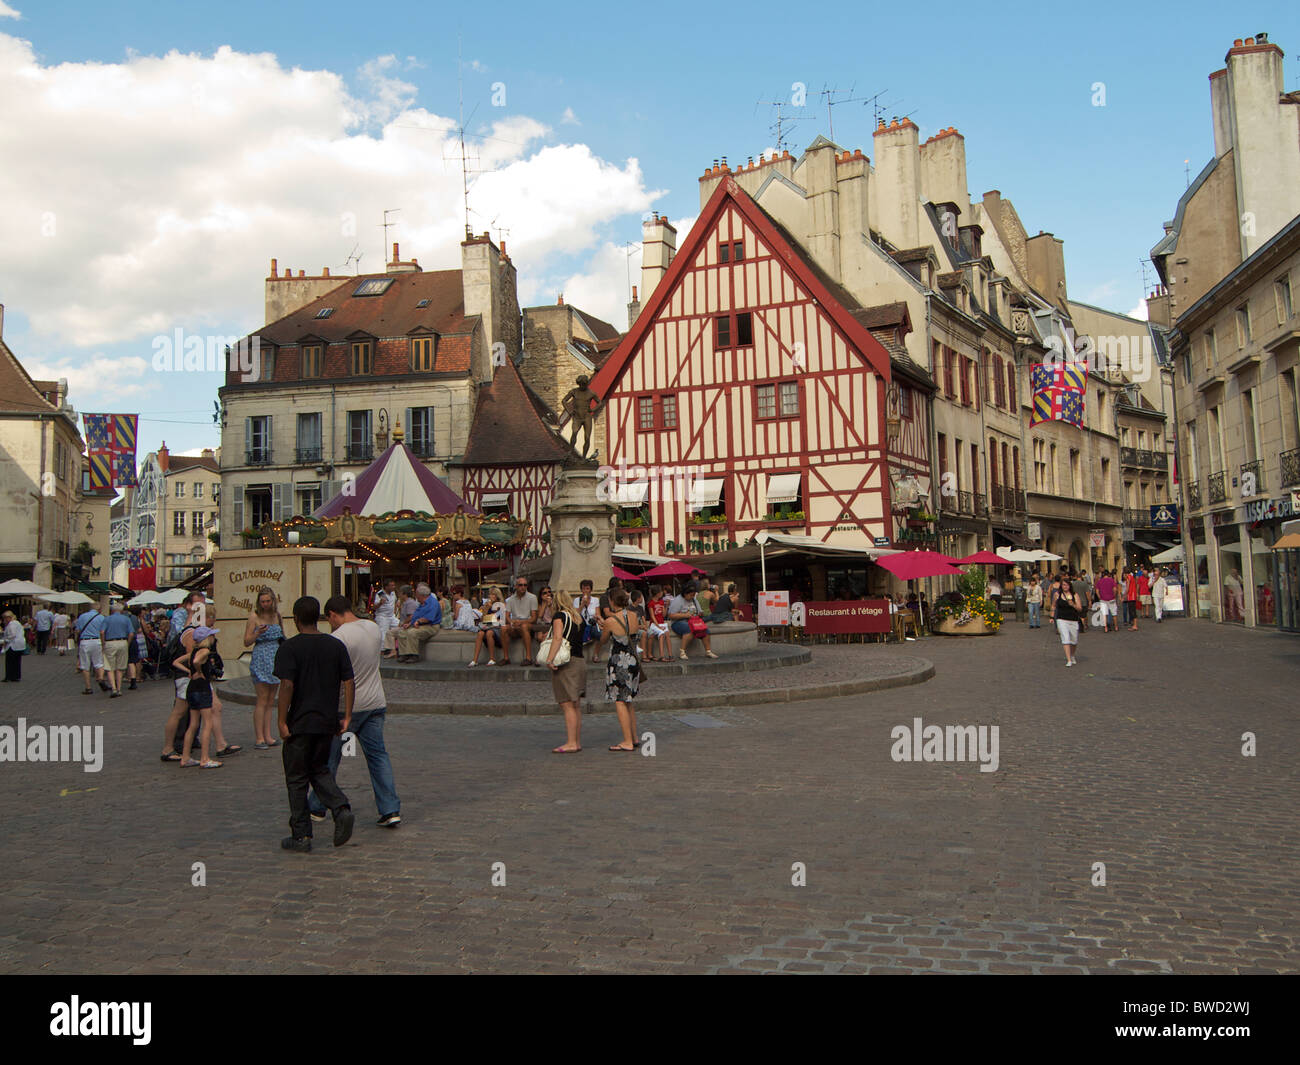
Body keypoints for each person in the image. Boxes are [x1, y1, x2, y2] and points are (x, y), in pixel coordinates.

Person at [306, 596, 401, 828]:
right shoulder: (372, 627)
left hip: (346, 708)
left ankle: (318, 806)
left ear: (332, 615)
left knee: (329, 759)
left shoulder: (337, 638)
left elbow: (331, 677)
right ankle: (390, 809)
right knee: (378, 757)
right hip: (375, 702)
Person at [274, 596, 356, 852]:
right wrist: (348, 715)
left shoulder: (290, 648)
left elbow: (286, 684)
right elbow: (349, 681)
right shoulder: (334, 645)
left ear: (296, 619)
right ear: (319, 616)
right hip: (326, 720)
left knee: (297, 778)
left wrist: (280, 720)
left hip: (300, 721)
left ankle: (301, 835)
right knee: (319, 770)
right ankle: (340, 808)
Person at [545, 590, 588, 753]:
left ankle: (571, 742)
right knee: (576, 704)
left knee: (567, 704)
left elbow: (557, 638)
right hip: (579, 661)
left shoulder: (559, 617)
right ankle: (576, 741)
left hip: (566, 663)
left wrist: (549, 659)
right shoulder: (577, 617)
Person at [175, 627, 223, 768]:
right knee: (207, 724)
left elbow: (176, 662)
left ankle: (185, 757)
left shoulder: (193, 651)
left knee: (193, 724)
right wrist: (199, 671)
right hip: (202, 688)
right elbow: (196, 661)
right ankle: (205, 758)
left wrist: (190, 672)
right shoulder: (205, 651)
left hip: (192, 688)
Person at [602, 589, 641, 752]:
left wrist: (602, 624)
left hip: (619, 662)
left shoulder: (610, 620)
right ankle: (634, 736)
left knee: (619, 700)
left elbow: (603, 639)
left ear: (612, 601)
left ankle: (627, 741)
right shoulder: (634, 616)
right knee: (628, 700)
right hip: (633, 660)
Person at [244, 587, 284, 750]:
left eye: (268, 601)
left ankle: (268, 735)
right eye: (262, 601)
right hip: (261, 655)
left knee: (270, 700)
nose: (265, 604)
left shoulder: (277, 616)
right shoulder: (254, 617)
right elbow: (246, 641)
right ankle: (259, 737)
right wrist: (257, 633)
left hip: (275, 656)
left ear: (273, 601)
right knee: (262, 698)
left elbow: (282, 636)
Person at [668, 582, 718, 660]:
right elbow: (671, 615)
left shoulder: (694, 599)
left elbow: (699, 611)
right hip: (679, 622)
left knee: (705, 630)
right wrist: (685, 615)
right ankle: (682, 651)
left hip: (693, 620)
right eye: (691, 595)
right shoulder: (678, 600)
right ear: (685, 594)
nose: (692, 597)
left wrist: (700, 613)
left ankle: (708, 651)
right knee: (689, 629)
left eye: (693, 595)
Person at [395, 583, 442, 662]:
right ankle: (403, 654)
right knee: (402, 632)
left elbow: (429, 618)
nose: (415, 596)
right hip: (419, 624)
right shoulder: (422, 603)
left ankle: (413, 655)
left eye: (416, 594)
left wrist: (419, 621)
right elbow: (416, 615)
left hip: (431, 626)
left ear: (421, 595)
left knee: (412, 632)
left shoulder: (433, 603)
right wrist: (410, 623)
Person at [501, 577, 539, 665]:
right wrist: (512, 622)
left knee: (524, 627)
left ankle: (528, 658)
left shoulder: (532, 597)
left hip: (527, 623)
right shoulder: (510, 599)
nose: (523, 587)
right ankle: (506, 658)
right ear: (516, 586)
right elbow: (506, 616)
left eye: (525, 585)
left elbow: (534, 618)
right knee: (503, 628)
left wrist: (521, 622)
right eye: (520, 585)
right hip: (514, 623)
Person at [74, 603, 110, 694]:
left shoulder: (82, 616)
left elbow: (77, 630)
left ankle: (88, 688)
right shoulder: (102, 618)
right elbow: (104, 631)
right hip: (97, 641)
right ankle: (101, 678)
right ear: (99, 609)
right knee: (99, 663)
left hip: (85, 641)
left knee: (85, 665)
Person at [100, 603, 134, 697]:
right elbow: (131, 633)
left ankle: (113, 688)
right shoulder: (126, 619)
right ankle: (119, 689)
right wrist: (128, 643)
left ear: (112, 610)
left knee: (110, 667)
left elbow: (102, 632)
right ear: (122, 610)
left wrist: (103, 643)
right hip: (123, 642)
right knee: (120, 667)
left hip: (110, 642)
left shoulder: (107, 619)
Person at [468, 586, 505, 667]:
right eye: (490, 594)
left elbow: (502, 620)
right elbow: (482, 619)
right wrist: (485, 609)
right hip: (488, 626)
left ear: (497, 596)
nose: (490, 596)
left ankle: (492, 659)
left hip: (497, 628)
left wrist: (492, 611)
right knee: (480, 633)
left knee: (489, 633)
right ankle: (475, 660)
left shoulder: (501, 605)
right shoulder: (487, 604)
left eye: (493, 594)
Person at [1052, 576, 1082, 666]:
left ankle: (1072, 655)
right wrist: (1051, 616)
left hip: (1073, 619)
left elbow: (1079, 608)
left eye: (1067, 585)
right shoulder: (1057, 594)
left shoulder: (1075, 595)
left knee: (1074, 640)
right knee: (1065, 638)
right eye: (1063, 585)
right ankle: (1068, 660)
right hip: (1061, 619)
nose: (1065, 587)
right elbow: (1053, 605)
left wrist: (1073, 604)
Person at [371, 578, 398, 658]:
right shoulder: (380, 594)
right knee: (383, 633)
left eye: (394, 585)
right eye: (391, 585)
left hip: (391, 616)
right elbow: (374, 607)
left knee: (400, 627)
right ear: (386, 587)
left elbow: (395, 602)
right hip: (382, 616)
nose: (394, 587)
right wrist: (380, 603)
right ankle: (382, 651)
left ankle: (394, 647)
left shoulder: (393, 593)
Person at [645, 583, 671, 661]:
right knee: (661, 633)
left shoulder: (661, 602)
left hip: (662, 622)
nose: (662, 593)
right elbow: (652, 616)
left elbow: (663, 615)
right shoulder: (651, 603)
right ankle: (662, 656)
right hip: (654, 624)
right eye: (661, 592)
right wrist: (658, 626)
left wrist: (666, 606)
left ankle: (670, 655)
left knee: (667, 634)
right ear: (657, 593)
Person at [1, 610, 25, 682]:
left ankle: (9, 676)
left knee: (9, 661)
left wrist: (5, 641)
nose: (4, 620)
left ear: (9, 617)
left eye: (5, 618)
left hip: (13, 645)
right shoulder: (17, 623)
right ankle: (16, 676)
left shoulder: (11, 624)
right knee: (17, 661)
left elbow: (12, 635)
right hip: (20, 645)